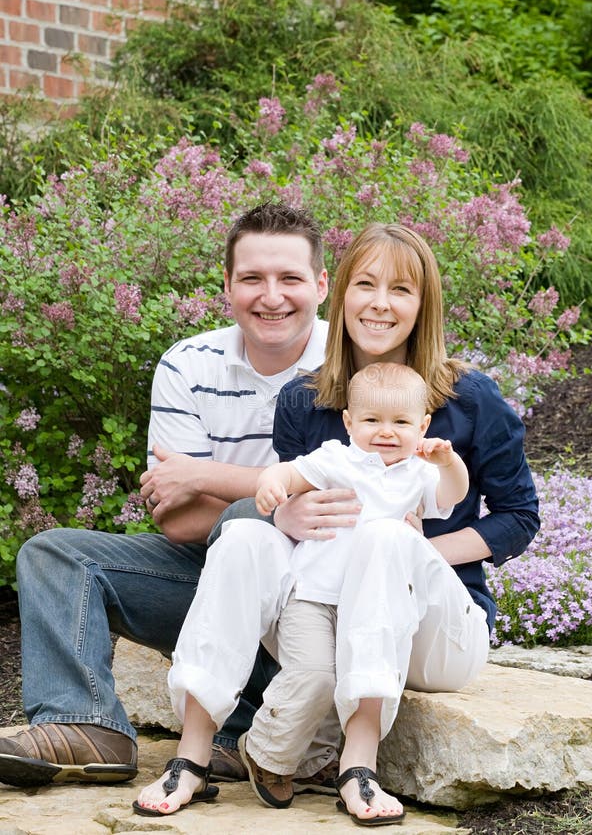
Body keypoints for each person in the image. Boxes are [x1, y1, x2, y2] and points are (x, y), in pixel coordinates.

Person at [132, 221, 540, 824]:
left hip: (436, 632)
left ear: (423, 305)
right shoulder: (304, 400)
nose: (380, 303)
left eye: (401, 290)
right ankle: (191, 755)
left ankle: (360, 766)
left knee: (380, 539)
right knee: (246, 535)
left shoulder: (471, 400)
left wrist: (416, 548)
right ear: (339, 293)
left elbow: (518, 517)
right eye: (366, 285)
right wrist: (286, 516)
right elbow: (285, 491)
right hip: (320, 614)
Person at [0, 201, 345, 792]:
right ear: (228, 285)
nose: (271, 296)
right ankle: (85, 725)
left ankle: (245, 732)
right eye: (252, 279)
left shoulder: (349, 367)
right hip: (207, 574)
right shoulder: (188, 364)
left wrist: (209, 477)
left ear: (320, 285)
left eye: (289, 278)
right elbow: (181, 523)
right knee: (55, 554)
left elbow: (343, 513)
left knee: (245, 522)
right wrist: (277, 501)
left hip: (316, 600)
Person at [133, 361, 468, 822]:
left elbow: (454, 494)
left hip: (376, 603)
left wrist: (447, 460)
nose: (386, 433)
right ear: (349, 421)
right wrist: (272, 485)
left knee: (379, 563)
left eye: (401, 423)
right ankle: (203, 760)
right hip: (311, 596)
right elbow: (290, 474)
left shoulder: (418, 472)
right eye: (371, 420)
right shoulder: (336, 457)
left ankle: (341, 767)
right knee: (316, 675)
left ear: (423, 426)